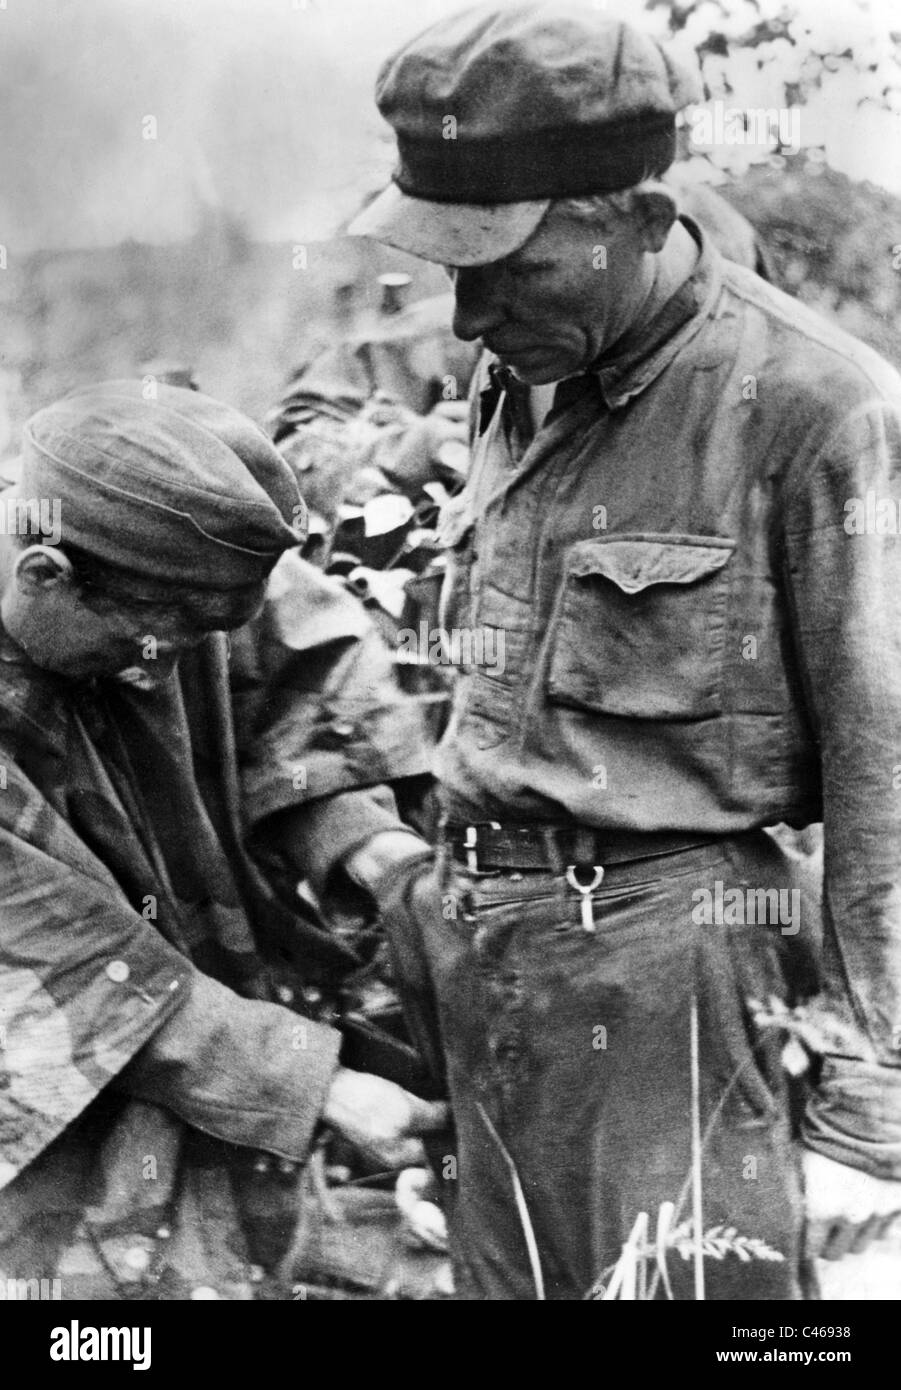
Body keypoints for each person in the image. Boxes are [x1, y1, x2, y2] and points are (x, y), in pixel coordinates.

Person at [347, 2, 901, 1300]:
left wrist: (866, 1102)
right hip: (488, 948)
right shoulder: (522, 355)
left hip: (675, 971)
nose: (468, 316)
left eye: (506, 267)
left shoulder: (818, 408)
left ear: (637, 227)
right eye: (450, 268)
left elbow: (887, 772)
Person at [0, 379, 448, 1300]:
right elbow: (63, 974)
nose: (162, 667)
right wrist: (313, 1088)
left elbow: (281, 671)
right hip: (57, 1072)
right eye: (149, 642)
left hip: (214, 997)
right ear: (42, 574)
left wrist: (366, 843)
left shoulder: (158, 557)